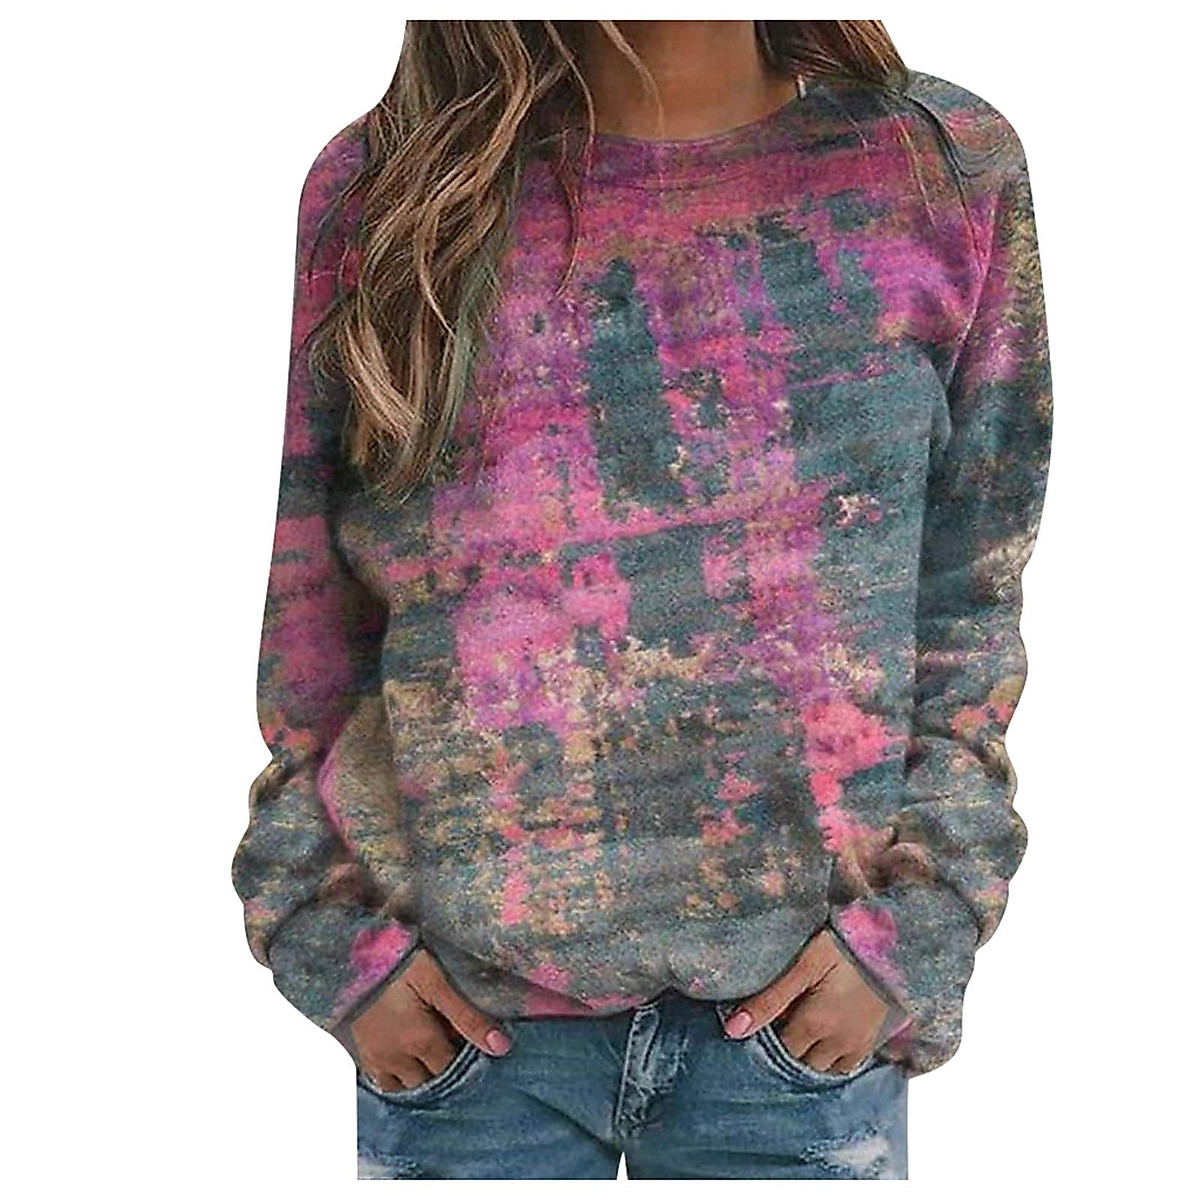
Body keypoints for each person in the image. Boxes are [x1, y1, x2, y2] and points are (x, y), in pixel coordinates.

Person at [231, 18, 1053, 1180]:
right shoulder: (387, 187)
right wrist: (327, 931)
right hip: (464, 1045)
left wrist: (916, 927)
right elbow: (313, 615)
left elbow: (973, 598)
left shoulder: (940, 165)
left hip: (798, 1038)